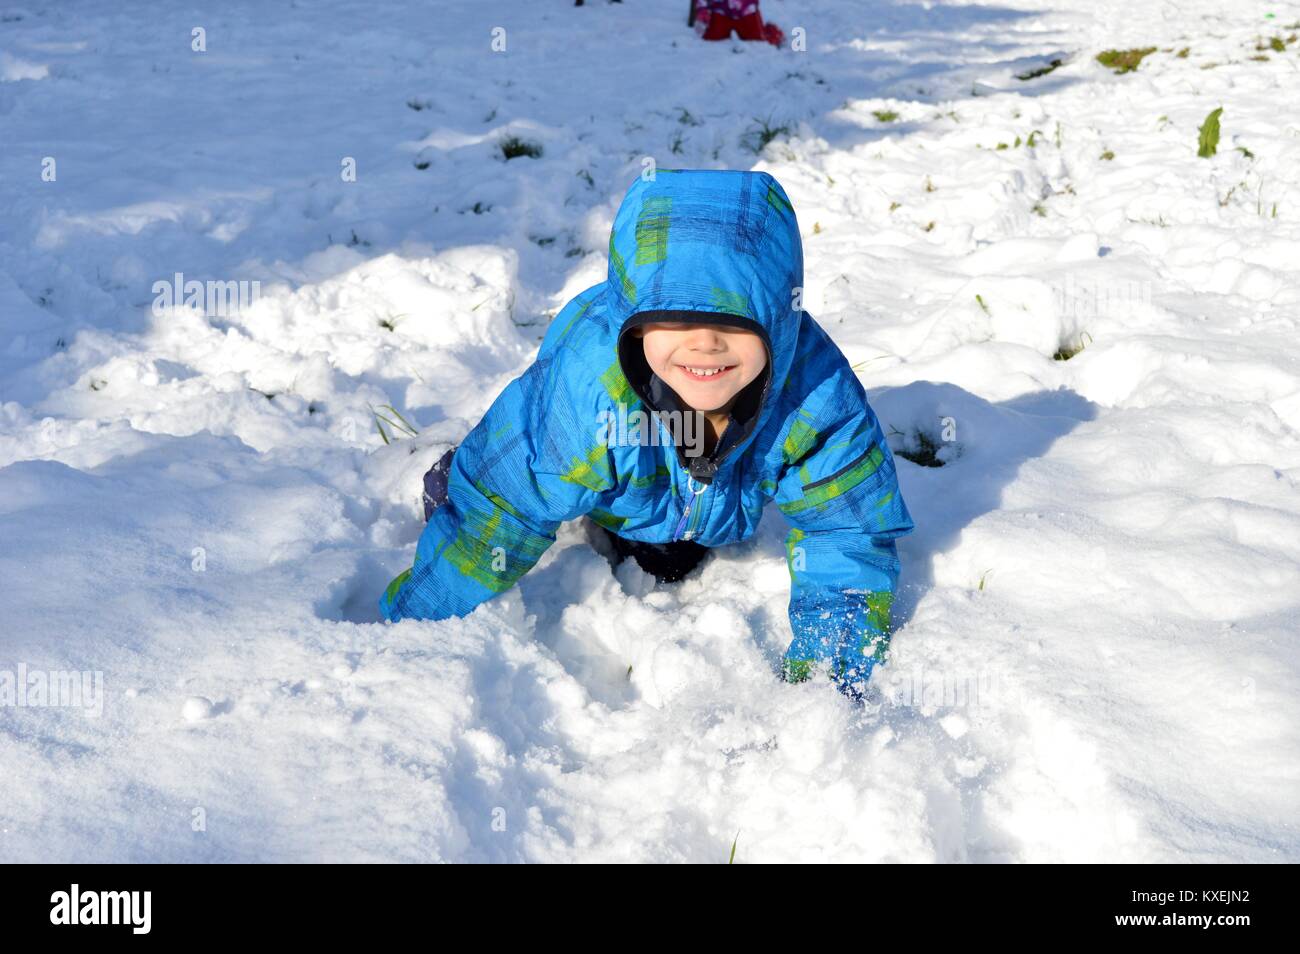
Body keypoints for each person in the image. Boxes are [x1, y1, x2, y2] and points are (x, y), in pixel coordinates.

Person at [379, 168, 915, 700]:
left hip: (688, 503)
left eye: (733, 323)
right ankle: (456, 474)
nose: (705, 344)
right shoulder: (588, 390)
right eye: (677, 320)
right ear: (636, 323)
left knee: (668, 560)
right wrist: (414, 630)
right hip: (607, 472)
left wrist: (830, 675)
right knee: (505, 493)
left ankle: (659, 528)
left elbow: (846, 530)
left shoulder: (815, 395)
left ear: (776, 319)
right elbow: (501, 511)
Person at [691, 0, 784, 47]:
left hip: (746, 10)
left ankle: (771, 30)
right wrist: (702, 10)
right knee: (710, 40)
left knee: (761, 43)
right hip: (720, 10)